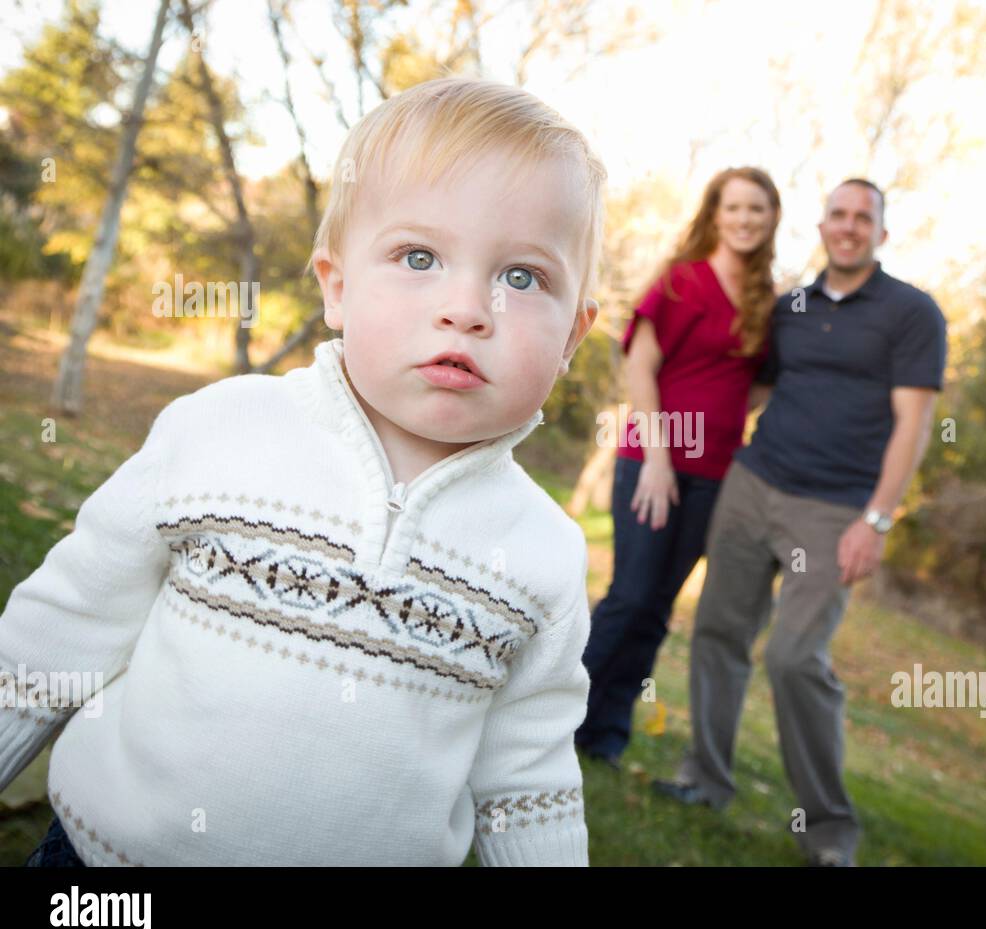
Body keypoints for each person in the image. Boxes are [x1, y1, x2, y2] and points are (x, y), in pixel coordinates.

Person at [1, 76, 606, 866]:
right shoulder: (220, 432)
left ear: (573, 337)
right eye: (418, 257)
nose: (468, 306)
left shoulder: (542, 556)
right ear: (337, 287)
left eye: (521, 278)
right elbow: (60, 633)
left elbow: (528, 783)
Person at [652, 179, 948, 867]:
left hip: (832, 511)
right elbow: (757, 388)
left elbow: (914, 422)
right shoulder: (793, 305)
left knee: (793, 657)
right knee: (718, 633)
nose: (847, 227)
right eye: (837, 215)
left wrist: (876, 519)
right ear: (822, 225)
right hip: (753, 486)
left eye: (862, 218)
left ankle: (828, 834)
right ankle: (705, 779)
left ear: (881, 231)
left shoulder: (911, 313)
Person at [574, 168, 780, 770]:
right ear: (715, 214)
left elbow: (760, 381)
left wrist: (731, 413)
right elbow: (641, 367)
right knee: (630, 596)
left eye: (757, 210)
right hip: (652, 460)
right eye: (734, 207)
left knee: (659, 609)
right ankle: (551, 717)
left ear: (772, 220)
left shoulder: (768, 298)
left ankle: (608, 731)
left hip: (716, 474)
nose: (744, 219)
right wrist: (661, 462)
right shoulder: (681, 281)